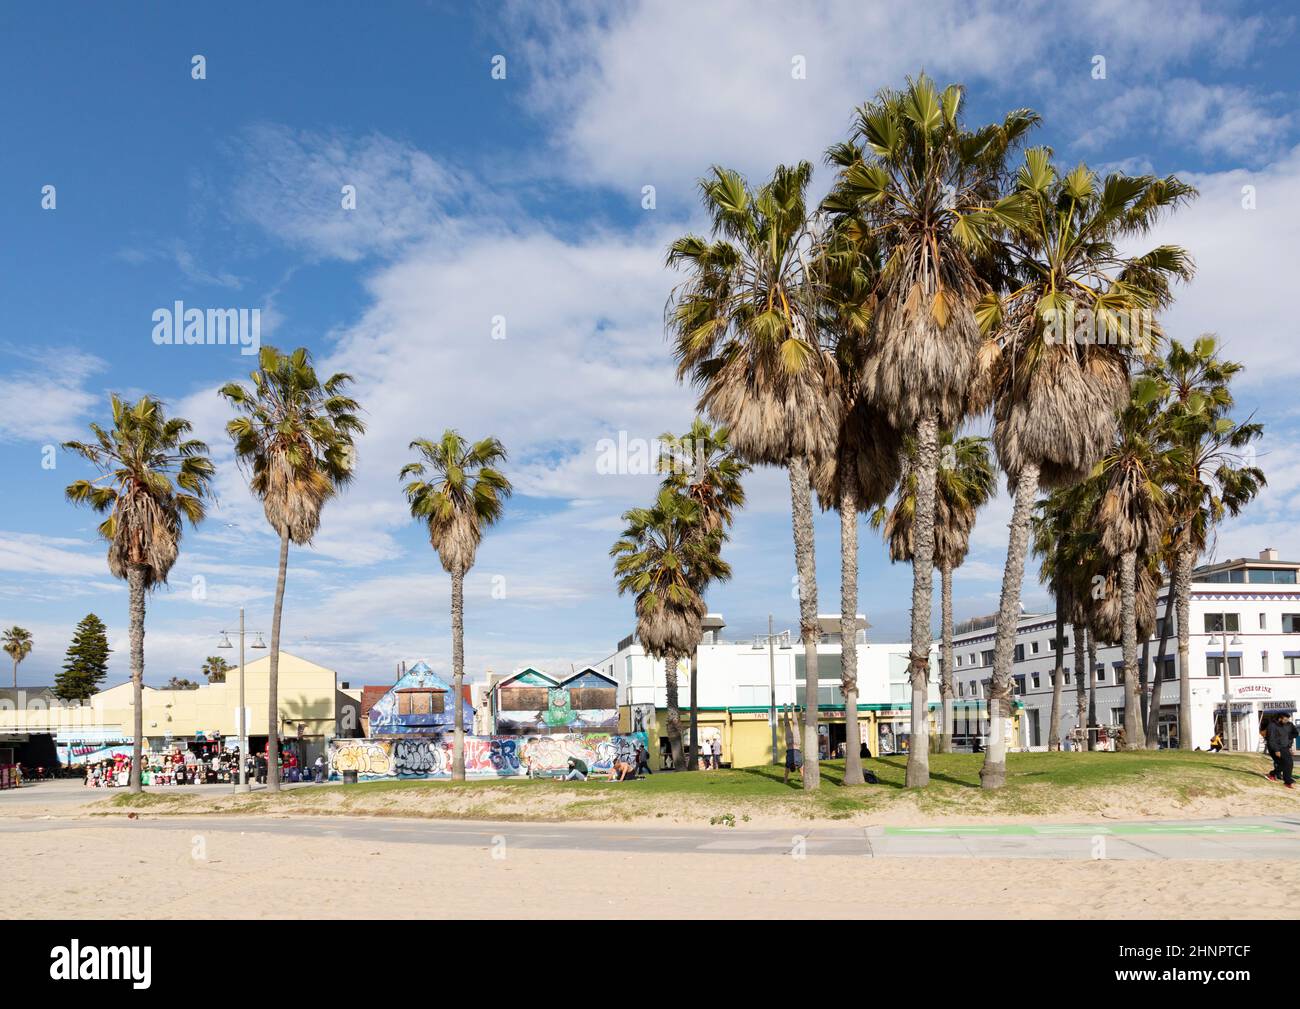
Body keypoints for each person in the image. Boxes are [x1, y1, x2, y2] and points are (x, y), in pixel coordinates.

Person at [1267, 713, 1298, 788]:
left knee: (1287, 763)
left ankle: (1274, 775)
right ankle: (1286, 781)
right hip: (1276, 747)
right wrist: (1276, 750)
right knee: (1286, 763)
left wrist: (1289, 743)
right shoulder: (1272, 726)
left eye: (1288, 719)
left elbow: (1291, 734)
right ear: (1280, 718)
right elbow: (1271, 740)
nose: (1286, 721)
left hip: (1285, 747)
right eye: (1285, 719)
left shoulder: (1286, 725)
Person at [782, 704, 802, 785]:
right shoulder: (788, 763)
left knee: (795, 725)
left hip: (796, 743)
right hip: (790, 744)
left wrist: (804, 780)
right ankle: (786, 710)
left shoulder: (799, 763)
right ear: (791, 768)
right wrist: (785, 780)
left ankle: (792, 710)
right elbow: (786, 773)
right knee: (787, 725)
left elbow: (802, 772)